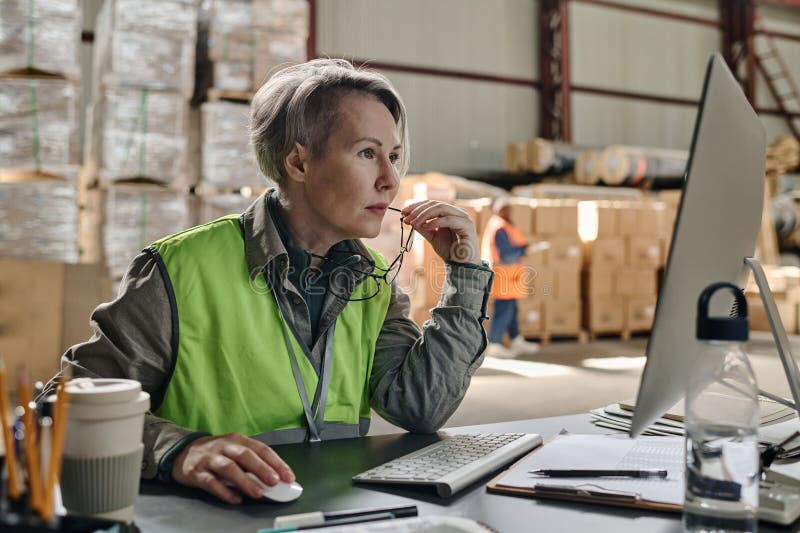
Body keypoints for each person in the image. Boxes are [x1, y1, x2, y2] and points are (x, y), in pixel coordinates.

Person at [56, 59, 494, 504]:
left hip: (326, 514)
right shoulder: (179, 268)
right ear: (298, 163)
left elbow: (419, 408)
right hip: (208, 514)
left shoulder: (372, 284)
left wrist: (463, 273)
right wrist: (179, 450)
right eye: (367, 153)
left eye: (394, 157)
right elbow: (67, 403)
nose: (390, 180)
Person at [481, 196, 541, 359]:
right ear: (498, 210)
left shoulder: (505, 225)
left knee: (511, 309)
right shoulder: (499, 227)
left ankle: (516, 339)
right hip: (503, 276)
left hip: (510, 276)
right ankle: (494, 343)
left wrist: (523, 248)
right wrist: (524, 250)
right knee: (504, 308)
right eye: (506, 208)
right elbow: (506, 255)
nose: (509, 211)